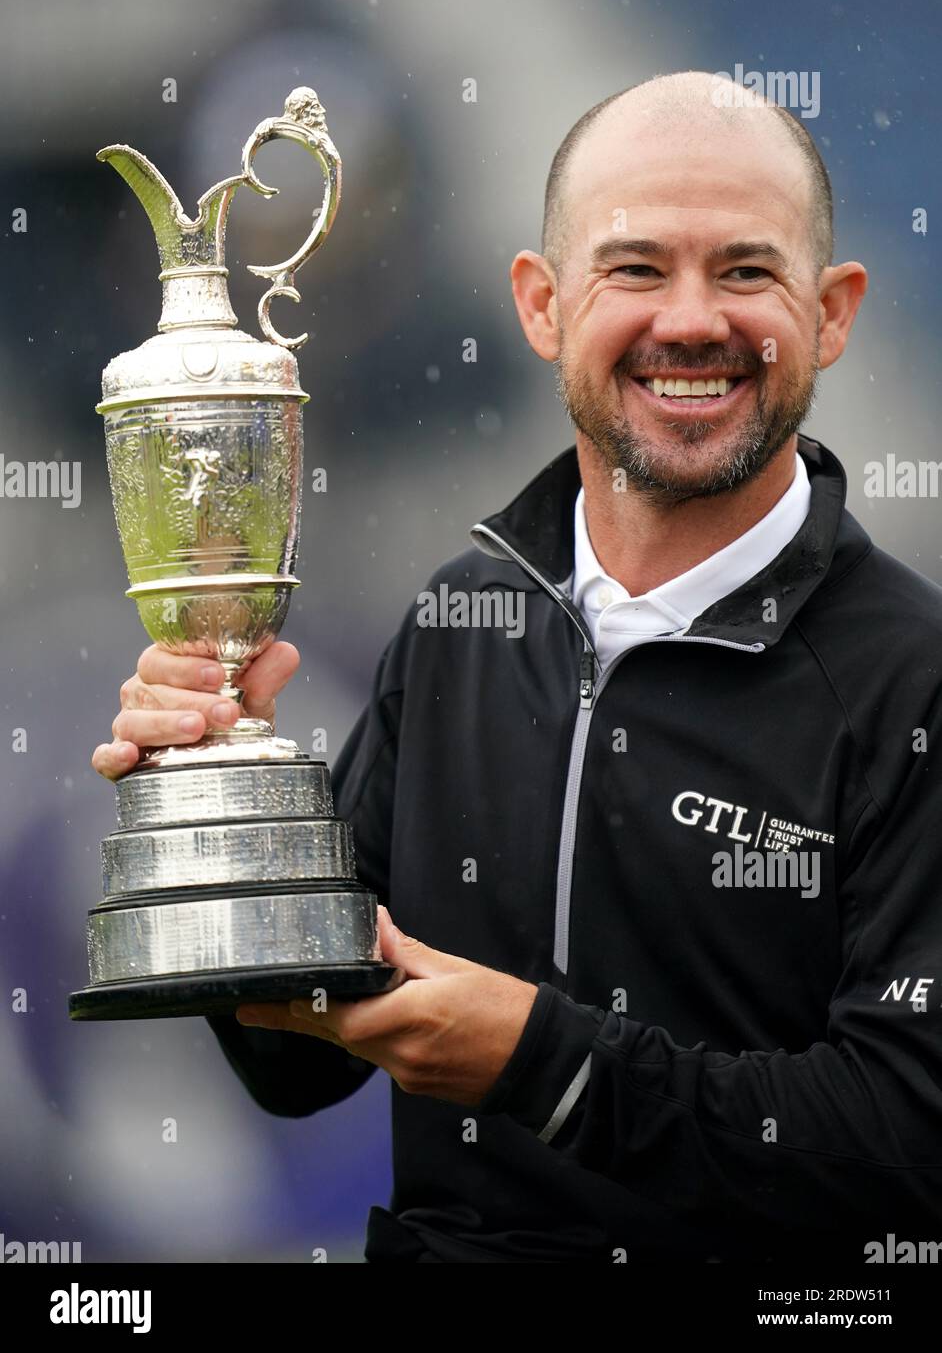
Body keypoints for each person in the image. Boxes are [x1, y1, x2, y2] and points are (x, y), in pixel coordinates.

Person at [92, 71, 942, 1263]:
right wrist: (215, 804)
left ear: (835, 310)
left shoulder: (915, 678)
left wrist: (548, 1068)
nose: (690, 320)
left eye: (746, 270)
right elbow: (293, 1064)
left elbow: (910, 1143)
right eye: (635, 268)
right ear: (542, 306)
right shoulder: (460, 622)